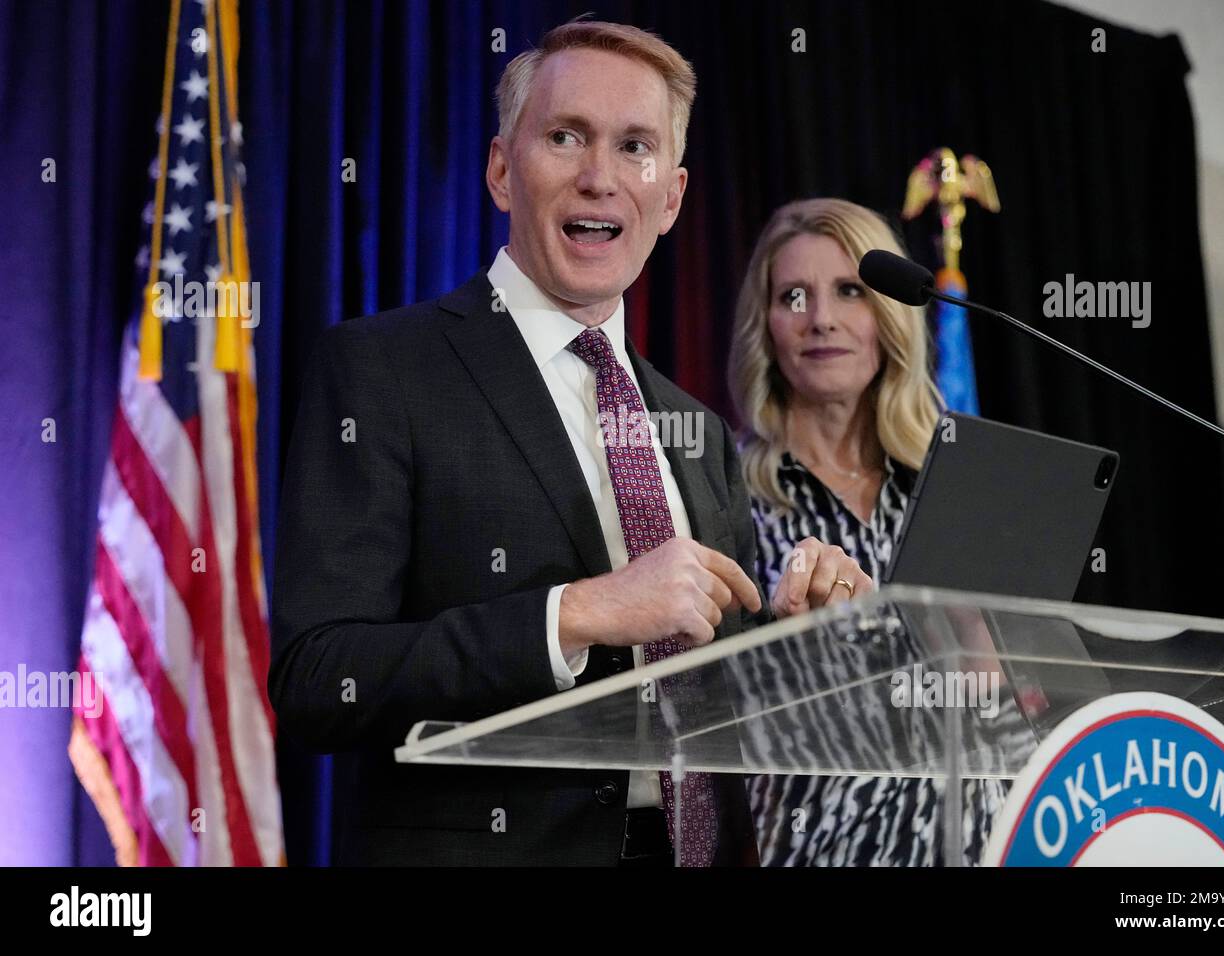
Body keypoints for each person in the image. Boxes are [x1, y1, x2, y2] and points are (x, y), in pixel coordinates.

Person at [270, 21, 872, 867]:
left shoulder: (694, 429)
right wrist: (578, 614)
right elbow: (317, 680)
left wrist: (792, 647)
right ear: (500, 171)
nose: (600, 178)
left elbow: (716, 718)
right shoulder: (383, 372)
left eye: (636, 148)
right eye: (565, 137)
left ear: (671, 198)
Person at [728, 198, 1014, 865]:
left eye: (850, 291)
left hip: (980, 841)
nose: (821, 318)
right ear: (765, 326)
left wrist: (983, 639)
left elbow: (1002, 701)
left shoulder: (951, 488)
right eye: (794, 296)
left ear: (889, 315)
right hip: (819, 849)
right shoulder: (724, 494)